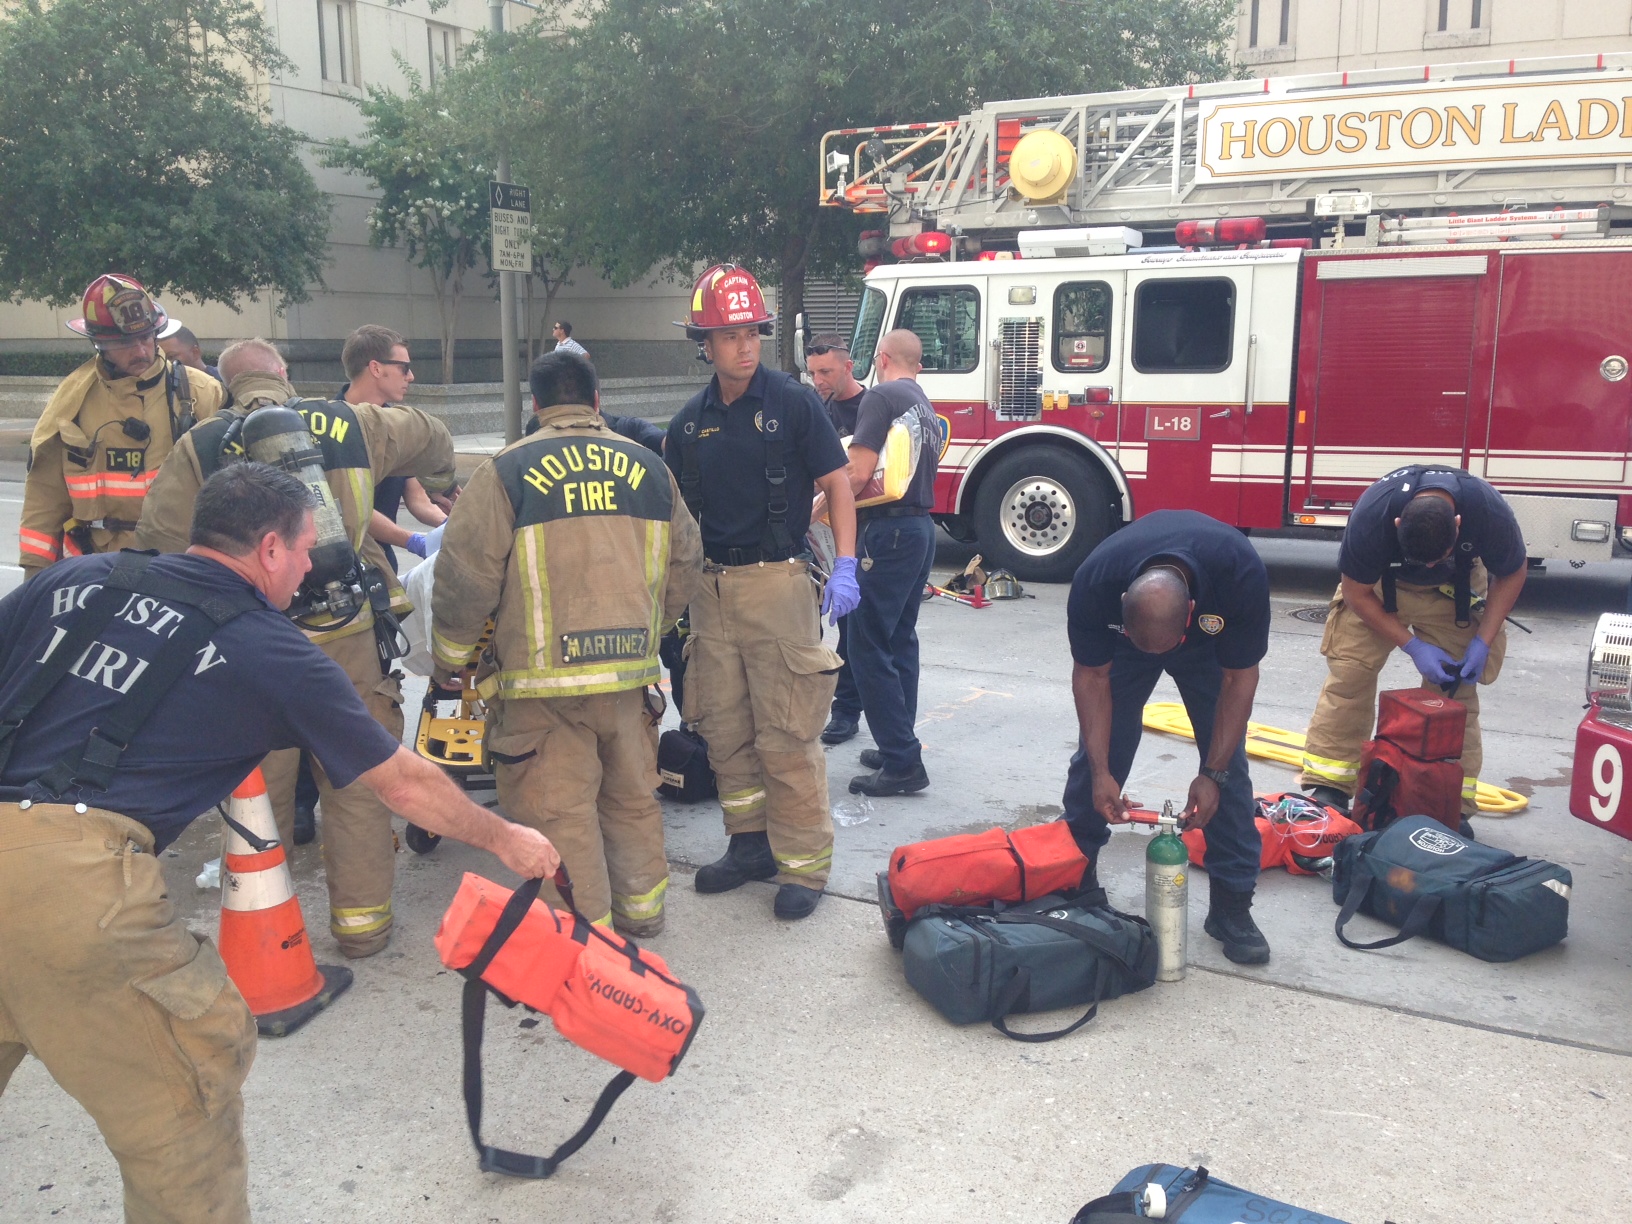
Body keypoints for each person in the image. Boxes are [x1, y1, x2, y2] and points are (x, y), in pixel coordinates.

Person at [0, 463, 558, 1224]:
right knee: (187, 1101)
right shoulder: (269, 647)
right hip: (68, 888)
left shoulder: (78, 580)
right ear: (269, 548)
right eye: (304, 550)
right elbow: (402, 784)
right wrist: (507, 837)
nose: (307, 568)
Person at [135, 338, 461, 959]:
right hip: (350, 636)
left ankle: (267, 935)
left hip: (253, 644)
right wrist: (441, 484)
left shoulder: (201, 444)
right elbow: (434, 438)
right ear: (284, 375)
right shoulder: (354, 423)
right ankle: (363, 929)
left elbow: (160, 549)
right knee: (358, 782)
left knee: (257, 791)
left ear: (228, 386)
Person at [433, 350, 701, 936]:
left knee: (559, 815)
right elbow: (685, 562)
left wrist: (451, 658)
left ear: (536, 405)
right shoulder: (651, 469)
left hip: (541, 689)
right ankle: (644, 915)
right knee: (632, 799)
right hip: (629, 681)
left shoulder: (505, 471)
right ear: (597, 401)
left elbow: (464, 579)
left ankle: (585, 941)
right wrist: (650, 631)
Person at [664, 263, 860, 920]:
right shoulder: (687, 425)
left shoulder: (793, 403)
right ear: (705, 344)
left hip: (778, 585)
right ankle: (748, 845)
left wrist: (846, 564)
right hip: (710, 592)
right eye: (729, 335)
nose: (745, 346)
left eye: (752, 333)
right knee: (725, 731)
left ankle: (803, 864)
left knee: (787, 732)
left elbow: (837, 484)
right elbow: (675, 521)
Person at [1062, 509, 1272, 964]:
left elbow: (1240, 679)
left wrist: (1212, 774)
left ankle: (1232, 906)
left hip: (1207, 645)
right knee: (1099, 757)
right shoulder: (1095, 581)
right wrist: (1101, 771)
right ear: (1122, 603)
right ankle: (1075, 883)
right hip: (1127, 642)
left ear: (1190, 613)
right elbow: (1092, 677)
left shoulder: (1239, 573)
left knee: (1229, 769)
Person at [1299, 465, 1526, 826]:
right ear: (1397, 525)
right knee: (1349, 676)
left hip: (1454, 590)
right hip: (1379, 588)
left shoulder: (1487, 509)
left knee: (1453, 694)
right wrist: (1413, 646)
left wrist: (1483, 641)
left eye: (1439, 556)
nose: (1431, 565)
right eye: (1424, 559)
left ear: (1459, 524)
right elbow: (1357, 593)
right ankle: (1330, 786)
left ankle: (1449, 801)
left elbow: (1512, 573)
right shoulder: (1373, 515)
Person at [18, 274, 225, 577]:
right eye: (125, 342)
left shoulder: (202, 393)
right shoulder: (72, 399)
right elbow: (44, 499)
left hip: (178, 565)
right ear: (99, 344)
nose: (140, 351)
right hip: (97, 567)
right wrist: (36, 581)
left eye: (146, 338)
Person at [841, 329, 941, 797]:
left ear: (881, 358)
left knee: (866, 644)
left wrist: (815, 505)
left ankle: (901, 761)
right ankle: (898, 743)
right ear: (916, 364)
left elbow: (858, 473)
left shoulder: (880, 397)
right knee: (900, 639)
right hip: (920, 529)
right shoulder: (924, 406)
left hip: (888, 532)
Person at [806, 332, 869, 747]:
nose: (818, 381)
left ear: (849, 366)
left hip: (862, 533)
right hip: (823, 536)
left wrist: (809, 512)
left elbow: (858, 477)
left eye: (826, 372)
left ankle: (847, 711)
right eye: (813, 373)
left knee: (855, 630)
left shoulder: (870, 408)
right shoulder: (818, 408)